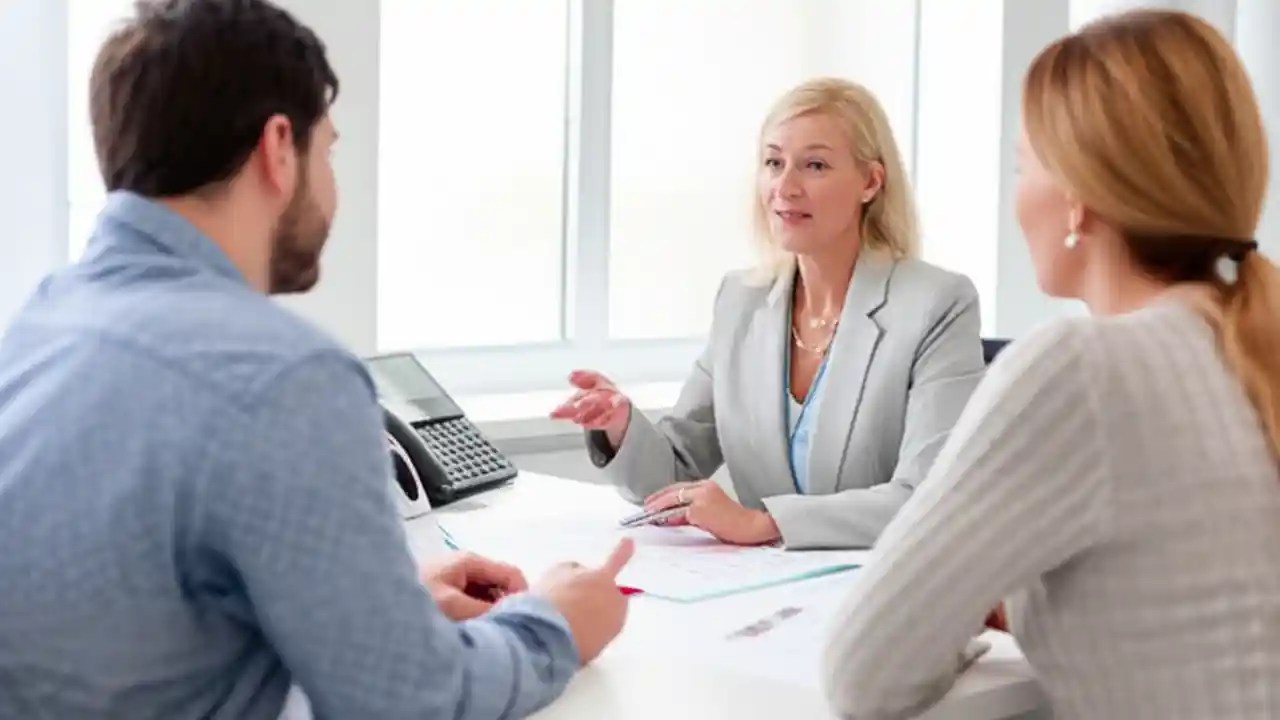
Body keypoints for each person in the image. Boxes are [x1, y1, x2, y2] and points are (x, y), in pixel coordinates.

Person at [0, 1, 632, 718]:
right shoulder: (283, 374)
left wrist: (371, 607)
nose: (331, 189)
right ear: (278, 148)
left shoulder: (42, 324)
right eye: (327, 151)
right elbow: (412, 704)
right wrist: (555, 623)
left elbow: (127, 622)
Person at [821, 9, 1280, 720]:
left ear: (1076, 198)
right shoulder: (1248, 345)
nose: (1015, 195)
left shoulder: (1082, 370)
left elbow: (865, 672)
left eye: (1021, 165)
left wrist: (968, 610)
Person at [552, 78, 985, 550]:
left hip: (882, 579)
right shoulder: (741, 300)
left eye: (815, 165)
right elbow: (675, 474)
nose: (785, 186)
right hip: (765, 582)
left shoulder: (937, 304)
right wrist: (619, 426)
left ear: (870, 182)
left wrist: (765, 523)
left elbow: (929, 495)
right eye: (774, 163)